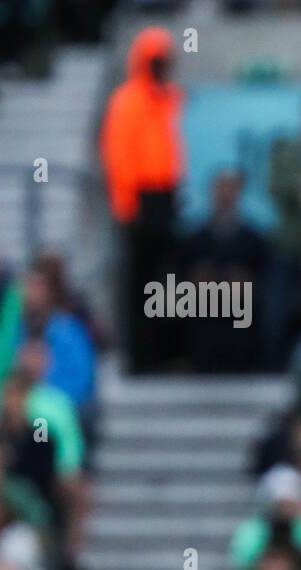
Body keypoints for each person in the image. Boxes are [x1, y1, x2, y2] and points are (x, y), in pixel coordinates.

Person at [99, 27, 185, 373]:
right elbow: (118, 157)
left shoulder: (165, 100)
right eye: (158, 61)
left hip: (165, 198)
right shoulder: (128, 101)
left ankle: (165, 354)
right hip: (141, 202)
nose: (164, 67)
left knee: (166, 281)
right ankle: (140, 358)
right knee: (140, 281)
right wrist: (127, 207)